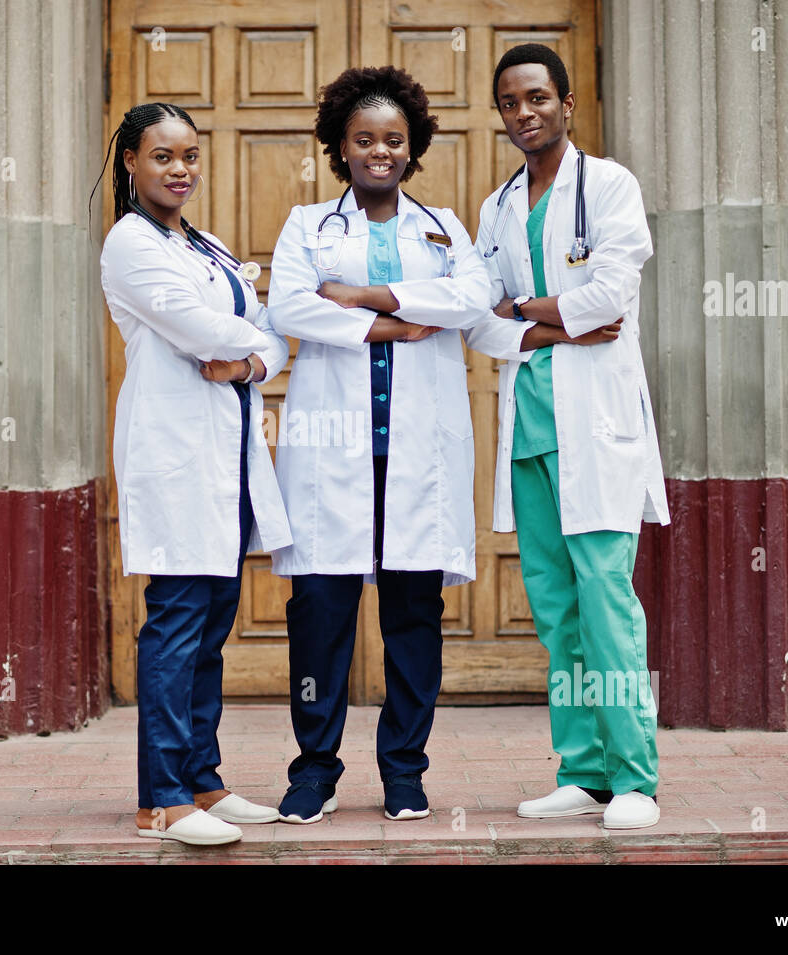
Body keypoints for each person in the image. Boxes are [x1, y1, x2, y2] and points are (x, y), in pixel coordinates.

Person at [267, 67, 490, 824]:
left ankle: (404, 769)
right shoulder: (307, 224)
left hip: (416, 452)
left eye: (394, 139)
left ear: (413, 145)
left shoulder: (445, 226)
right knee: (320, 613)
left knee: (412, 616)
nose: (380, 152)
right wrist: (398, 324)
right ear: (340, 146)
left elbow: (472, 297)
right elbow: (291, 304)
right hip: (334, 449)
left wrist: (363, 298)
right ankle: (313, 769)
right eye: (364, 139)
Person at [465, 44, 671, 830]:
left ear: (567, 102)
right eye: (510, 102)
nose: (524, 113)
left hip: (600, 430)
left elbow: (612, 299)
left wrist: (524, 308)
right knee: (556, 610)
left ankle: (636, 776)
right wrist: (541, 317)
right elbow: (483, 319)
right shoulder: (497, 207)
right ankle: (583, 770)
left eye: (537, 98)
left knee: (607, 603)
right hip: (532, 436)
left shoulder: (609, 185)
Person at [96, 102, 293, 846]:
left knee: (211, 623)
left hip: (228, 453)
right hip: (174, 452)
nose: (180, 170)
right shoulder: (130, 244)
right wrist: (254, 346)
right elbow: (199, 328)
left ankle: (203, 779)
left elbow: (267, 334)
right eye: (162, 157)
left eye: (189, 157)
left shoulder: (202, 243)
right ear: (131, 163)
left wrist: (250, 360)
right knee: (176, 622)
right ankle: (162, 796)